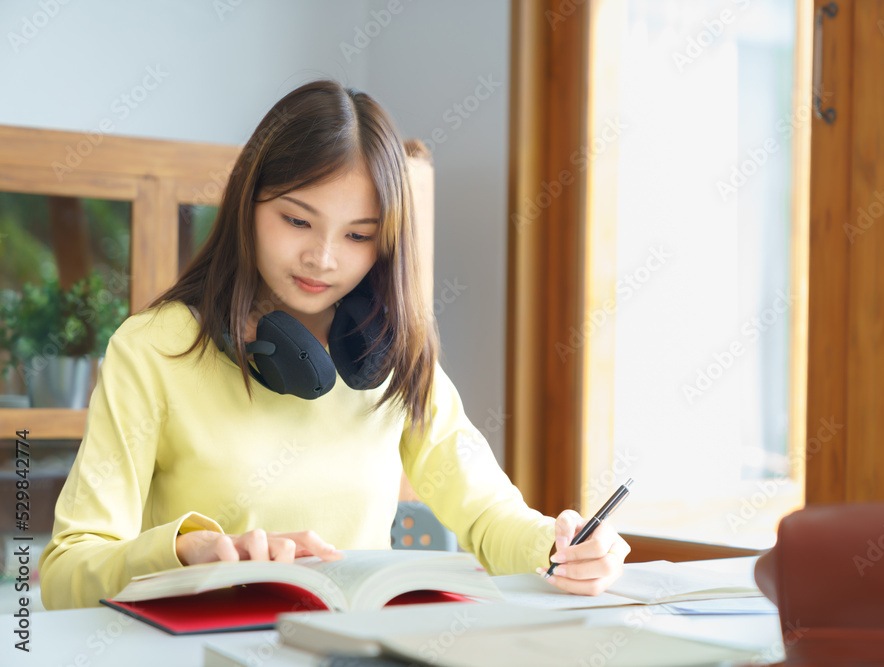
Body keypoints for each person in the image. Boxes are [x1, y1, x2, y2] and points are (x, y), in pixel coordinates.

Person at [38, 80, 630, 610]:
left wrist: (562, 547)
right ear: (247, 203)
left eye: (358, 235)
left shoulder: (388, 352)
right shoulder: (153, 349)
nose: (322, 258)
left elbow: (488, 514)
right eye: (297, 221)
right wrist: (185, 550)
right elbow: (66, 573)